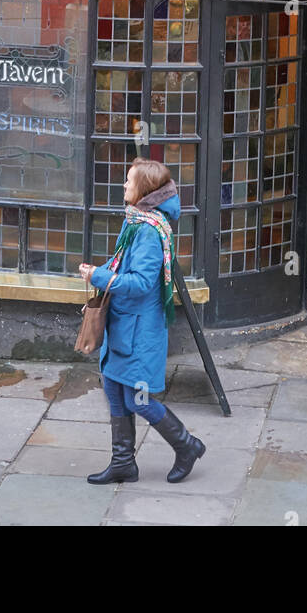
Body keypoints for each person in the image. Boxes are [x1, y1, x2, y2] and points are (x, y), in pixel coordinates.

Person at [78, 156, 206, 484]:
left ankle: (187, 445)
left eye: (129, 180)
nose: (124, 184)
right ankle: (123, 463)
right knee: (112, 387)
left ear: (144, 188)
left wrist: (98, 277)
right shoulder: (136, 219)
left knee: (137, 397)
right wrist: (100, 271)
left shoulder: (148, 231)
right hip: (124, 325)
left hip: (137, 331)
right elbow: (122, 264)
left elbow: (140, 284)